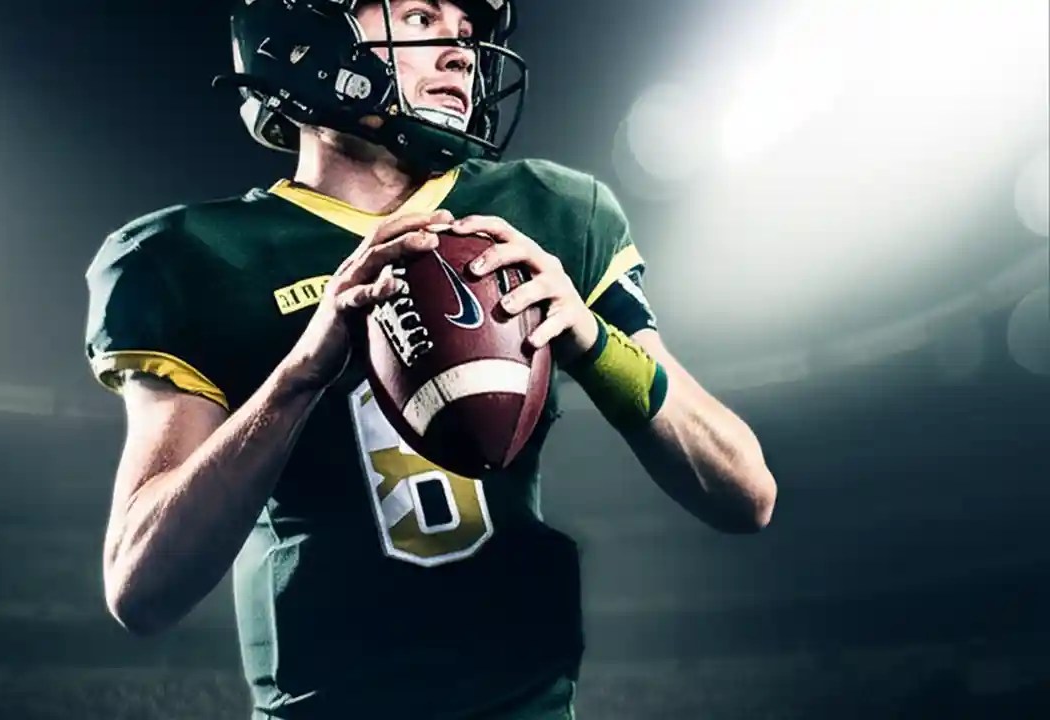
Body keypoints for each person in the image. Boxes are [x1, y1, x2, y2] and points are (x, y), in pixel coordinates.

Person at [83, 1, 778, 718]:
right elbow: (141, 588)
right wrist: (299, 376)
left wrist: (595, 343)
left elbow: (745, 493)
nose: (460, 52)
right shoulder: (193, 257)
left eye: (468, 32)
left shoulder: (549, 213)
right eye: (420, 17)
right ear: (304, 40)